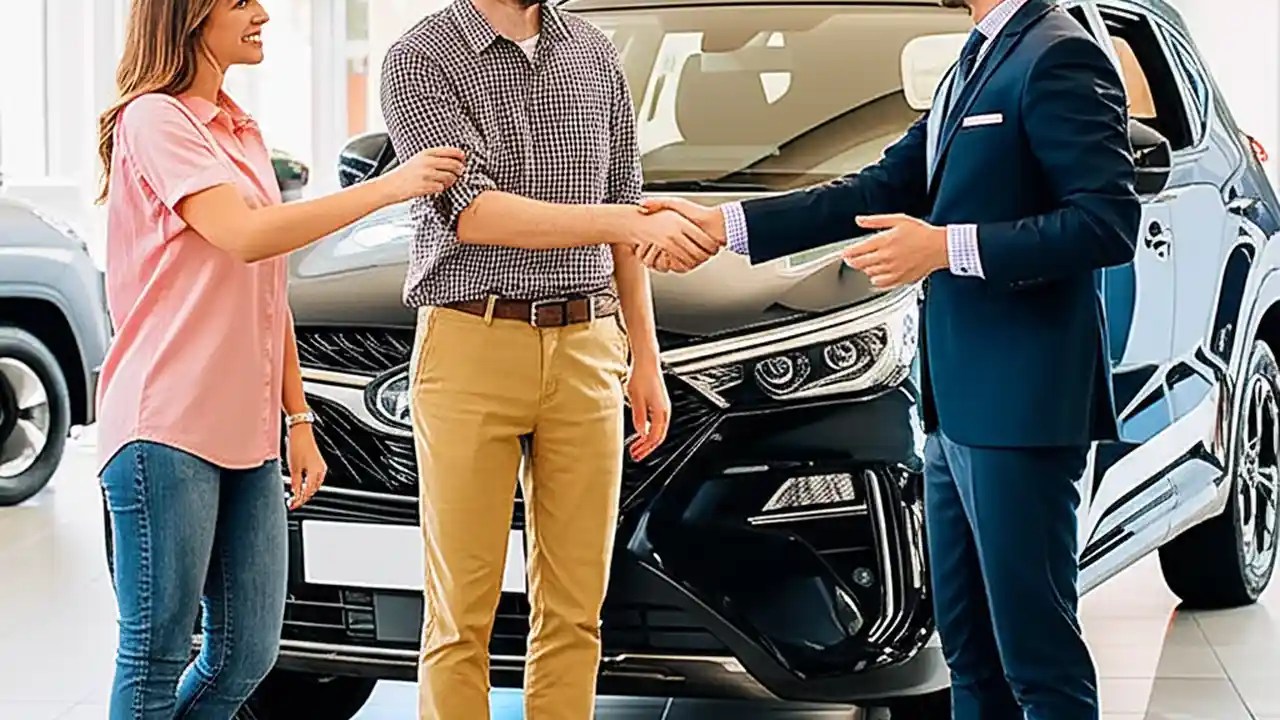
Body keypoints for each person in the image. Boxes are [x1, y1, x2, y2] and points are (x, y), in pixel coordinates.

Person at [643, 0, 1140, 718]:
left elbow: (1105, 222)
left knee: (1036, 655)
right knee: (970, 655)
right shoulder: (976, 60)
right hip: (953, 410)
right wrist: (725, 225)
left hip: (1022, 408)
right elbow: (876, 191)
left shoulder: (1059, 54)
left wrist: (946, 248)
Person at [94, 1, 464, 717]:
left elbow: (269, 292)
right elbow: (245, 235)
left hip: (248, 433)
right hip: (164, 426)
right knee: (156, 653)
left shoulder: (239, 128)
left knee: (249, 654)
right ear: (190, 15)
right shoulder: (154, 120)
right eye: (240, 2)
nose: (262, 13)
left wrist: (298, 418)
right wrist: (387, 188)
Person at [377, 0, 719, 717]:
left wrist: (645, 359)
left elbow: (629, 210)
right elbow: (472, 212)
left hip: (589, 346)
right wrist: (617, 221)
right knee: (459, 614)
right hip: (471, 345)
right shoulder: (420, 56)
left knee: (574, 609)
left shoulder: (594, 52)